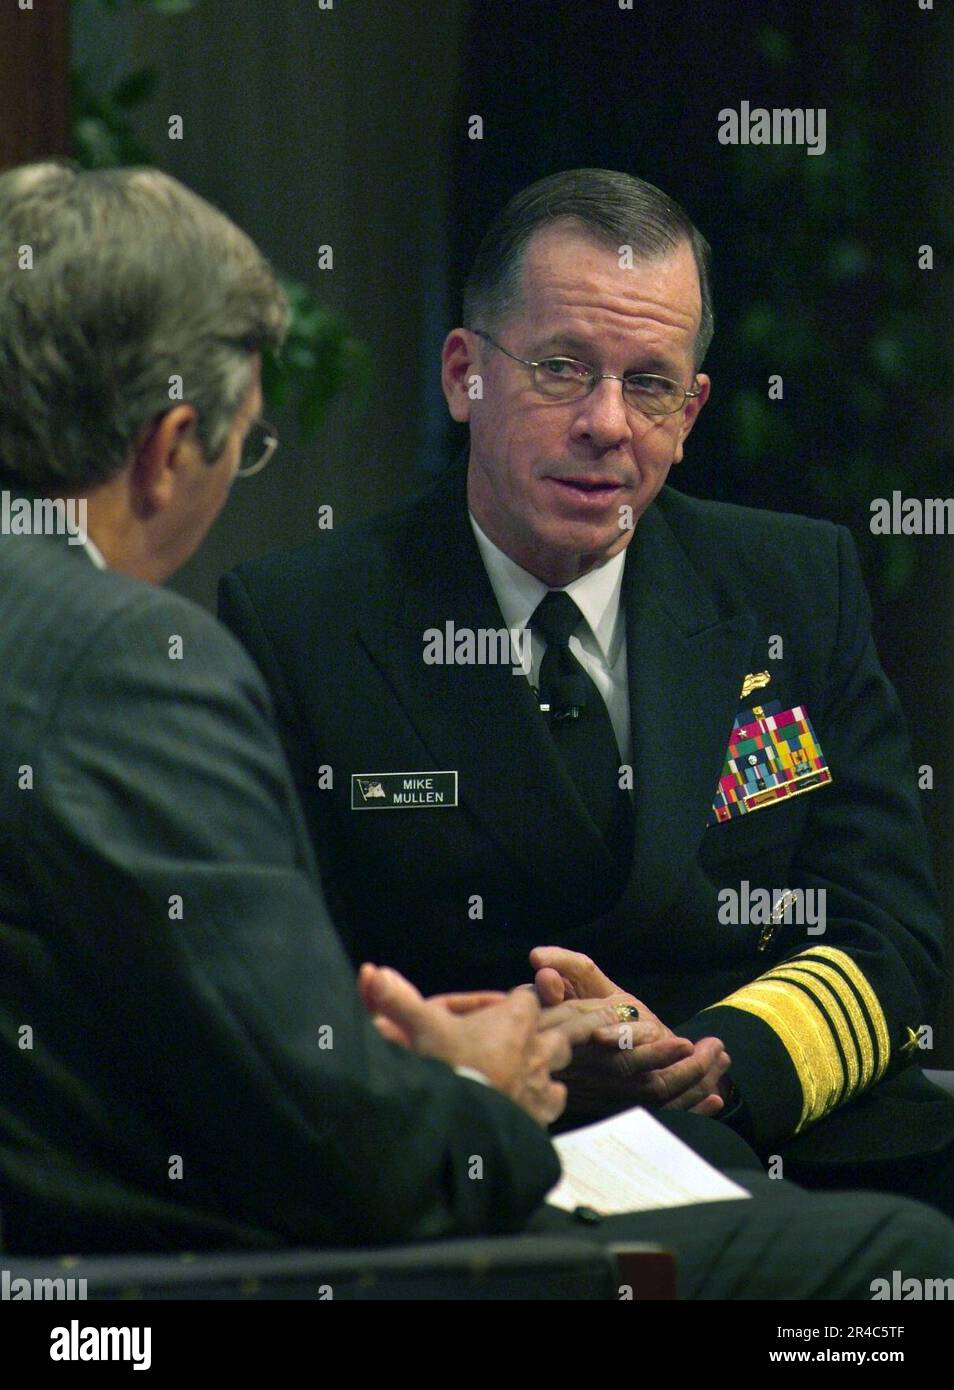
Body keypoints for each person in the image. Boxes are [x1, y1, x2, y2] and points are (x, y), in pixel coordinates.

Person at [1, 162, 949, 1302]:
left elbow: (892, 935)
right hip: (467, 1166)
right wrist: (484, 1066)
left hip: (748, 1117)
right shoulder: (299, 618)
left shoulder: (795, 583)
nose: (604, 424)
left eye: (649, 384)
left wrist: (714, 1058)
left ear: (693, 413)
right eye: (560, 369)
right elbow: (279, 998)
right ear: (464, 374)